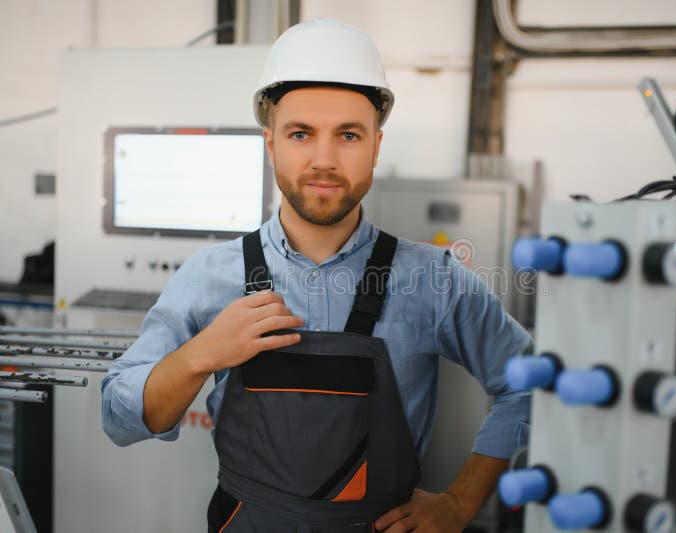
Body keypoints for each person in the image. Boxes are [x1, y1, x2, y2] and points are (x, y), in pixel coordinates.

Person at [101, 18, 532, 533]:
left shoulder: (433, 279)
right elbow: (120, 417)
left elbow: (529, 384)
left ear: (375, 145)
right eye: (301, 133)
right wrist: (200, 354)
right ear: (271, 144)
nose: (324, 161)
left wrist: (461, 503)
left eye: (348, 135)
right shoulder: (208, 276)